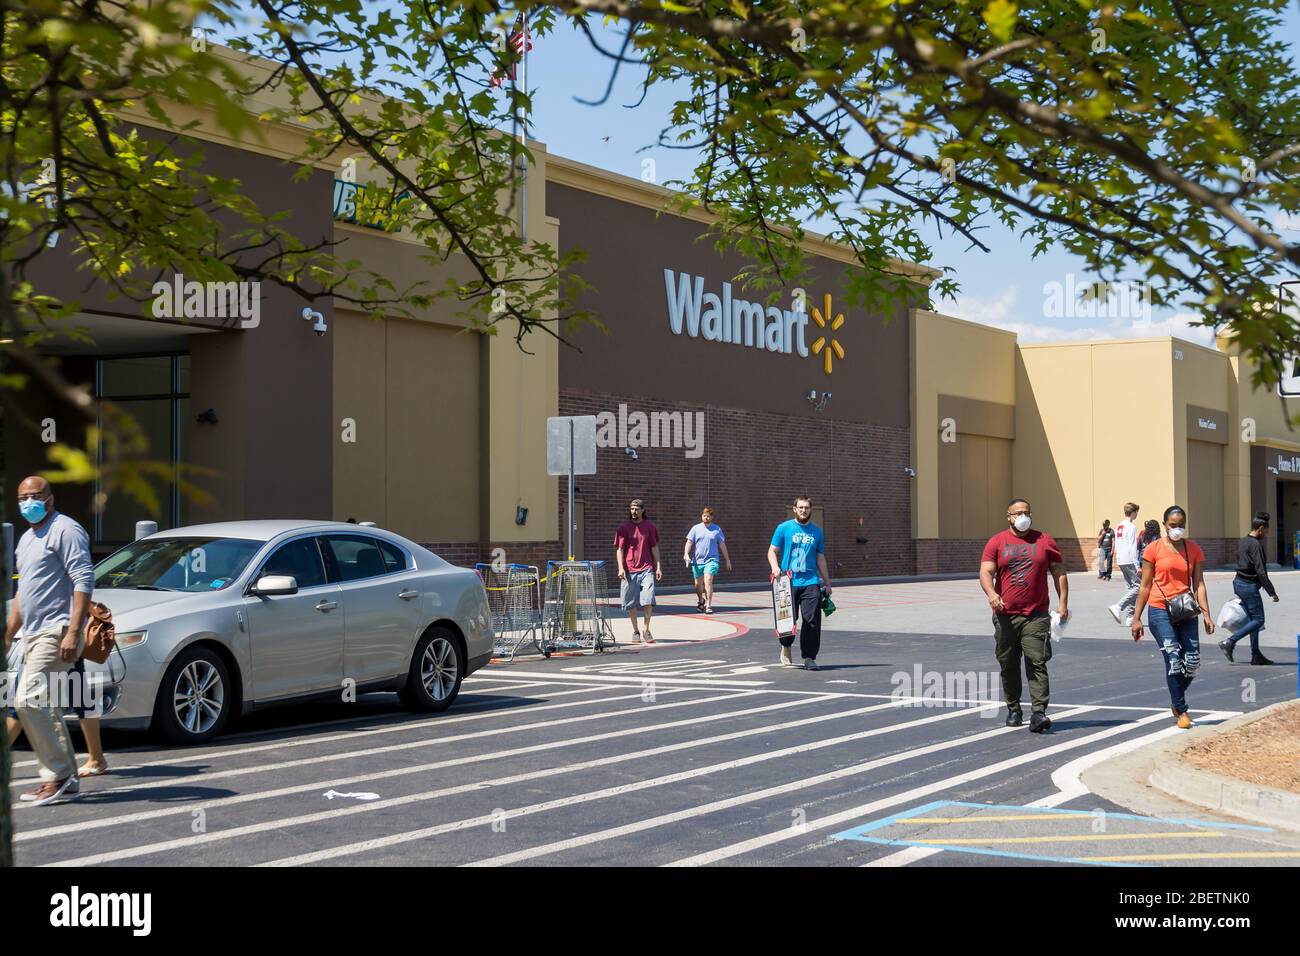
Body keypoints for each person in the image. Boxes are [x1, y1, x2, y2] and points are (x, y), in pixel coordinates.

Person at [4, 475, 95, 806]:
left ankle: (54, 776)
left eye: (36, 495)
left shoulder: (65, 530)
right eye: (22, 496)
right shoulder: (27, 539)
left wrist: (73, 631)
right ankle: (67, 778)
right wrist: (9, 634)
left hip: (56, 631)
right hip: (33, 633)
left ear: (50, 499)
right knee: (44, 704)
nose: (29, 501)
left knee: (27, 699)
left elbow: (84, 578)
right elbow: (22, 593)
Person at [979, 498, 1068, 734]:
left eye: (1026, 512)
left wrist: (1063, 603)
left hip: (1036, 614)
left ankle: (1039, 713)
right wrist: (991, 593)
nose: (1023, 516)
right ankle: (1014, 708)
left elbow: (1058, 571)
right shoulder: (997, 542)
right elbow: (986, 572)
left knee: (1036, 661)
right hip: (1006, 614)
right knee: (1008, 663)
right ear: (1008, 516)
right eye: (1018, 513)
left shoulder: (1044, 540)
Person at [1131, 505, 1214, 729]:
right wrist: (1136, 617)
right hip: (1159, 609)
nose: (1177, 529)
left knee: (1192, 663)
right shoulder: (1153, 549)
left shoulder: (1194, 549)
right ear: (1165, 524)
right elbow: (1145, 585)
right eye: (1172, 525)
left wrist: (1207, 614)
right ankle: (1181, 711)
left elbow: (1199, 584)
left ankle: (1176, 697)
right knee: (1174, 659)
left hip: (1185, 609)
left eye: (1180, 525)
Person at [767, 496, 832, 670]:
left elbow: (820, 558)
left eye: (807, 508)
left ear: (811, 510)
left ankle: (809, 657)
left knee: (812, 620)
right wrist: (775, 567)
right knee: (788, 620)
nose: (804, 510)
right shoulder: (784, 528)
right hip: (787, 582)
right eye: (800, 507)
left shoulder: (817, 532)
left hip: (810, 581)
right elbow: (772, 551)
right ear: (794, 509)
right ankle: (786, 646)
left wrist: (827, 582)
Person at [1219, 511, 1278, 666]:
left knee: (1253, 619)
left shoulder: (1243, 541)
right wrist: (1272, 592)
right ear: (1260, 528)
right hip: (1249, 586)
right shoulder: (1255, 545)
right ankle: (1229, 642)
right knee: (1259, 620)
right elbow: (1261, 570)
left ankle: (1256, 655)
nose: (1267, 533)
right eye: (1266, 530)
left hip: (1239, 583)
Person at [614, 498, 662, 644]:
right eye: (632, 509)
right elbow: (620, 549)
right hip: (629, 569)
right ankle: (635, 631)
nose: (634, 511)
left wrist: (658, 566)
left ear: (643, 510)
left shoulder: (650, 527)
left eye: (636, 509)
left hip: (647, 568)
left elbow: (654, 548)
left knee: (648, 599)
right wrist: (621, 568)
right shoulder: (623, 528)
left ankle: (646, 630)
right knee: (631, 602)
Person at [683, 507, 732, 614]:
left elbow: (722, 545)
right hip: (697, 561)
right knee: (697, 585)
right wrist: (686, 554)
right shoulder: (695, 528)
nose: (706, 517)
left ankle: (708, 606)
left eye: (708, 516)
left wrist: (727, 560)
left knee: (708, 580)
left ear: (712, 517)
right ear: (702, 516)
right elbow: (689, 542)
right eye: (704, 516)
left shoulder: (717, 529)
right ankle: (701, 601)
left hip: (712, 560)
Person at [1108, 502, 1141, 625]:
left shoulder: (1119, 526)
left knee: (1130, 588)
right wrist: (1137, 565)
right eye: (1136, 512)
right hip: (1129, 559)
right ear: (1133, 512)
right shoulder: (1131, 527)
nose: (1137, 514)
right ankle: (1118, 606)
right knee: (1138, 587)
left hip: (1121, 559)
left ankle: (1130, 617)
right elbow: (1133, 546)